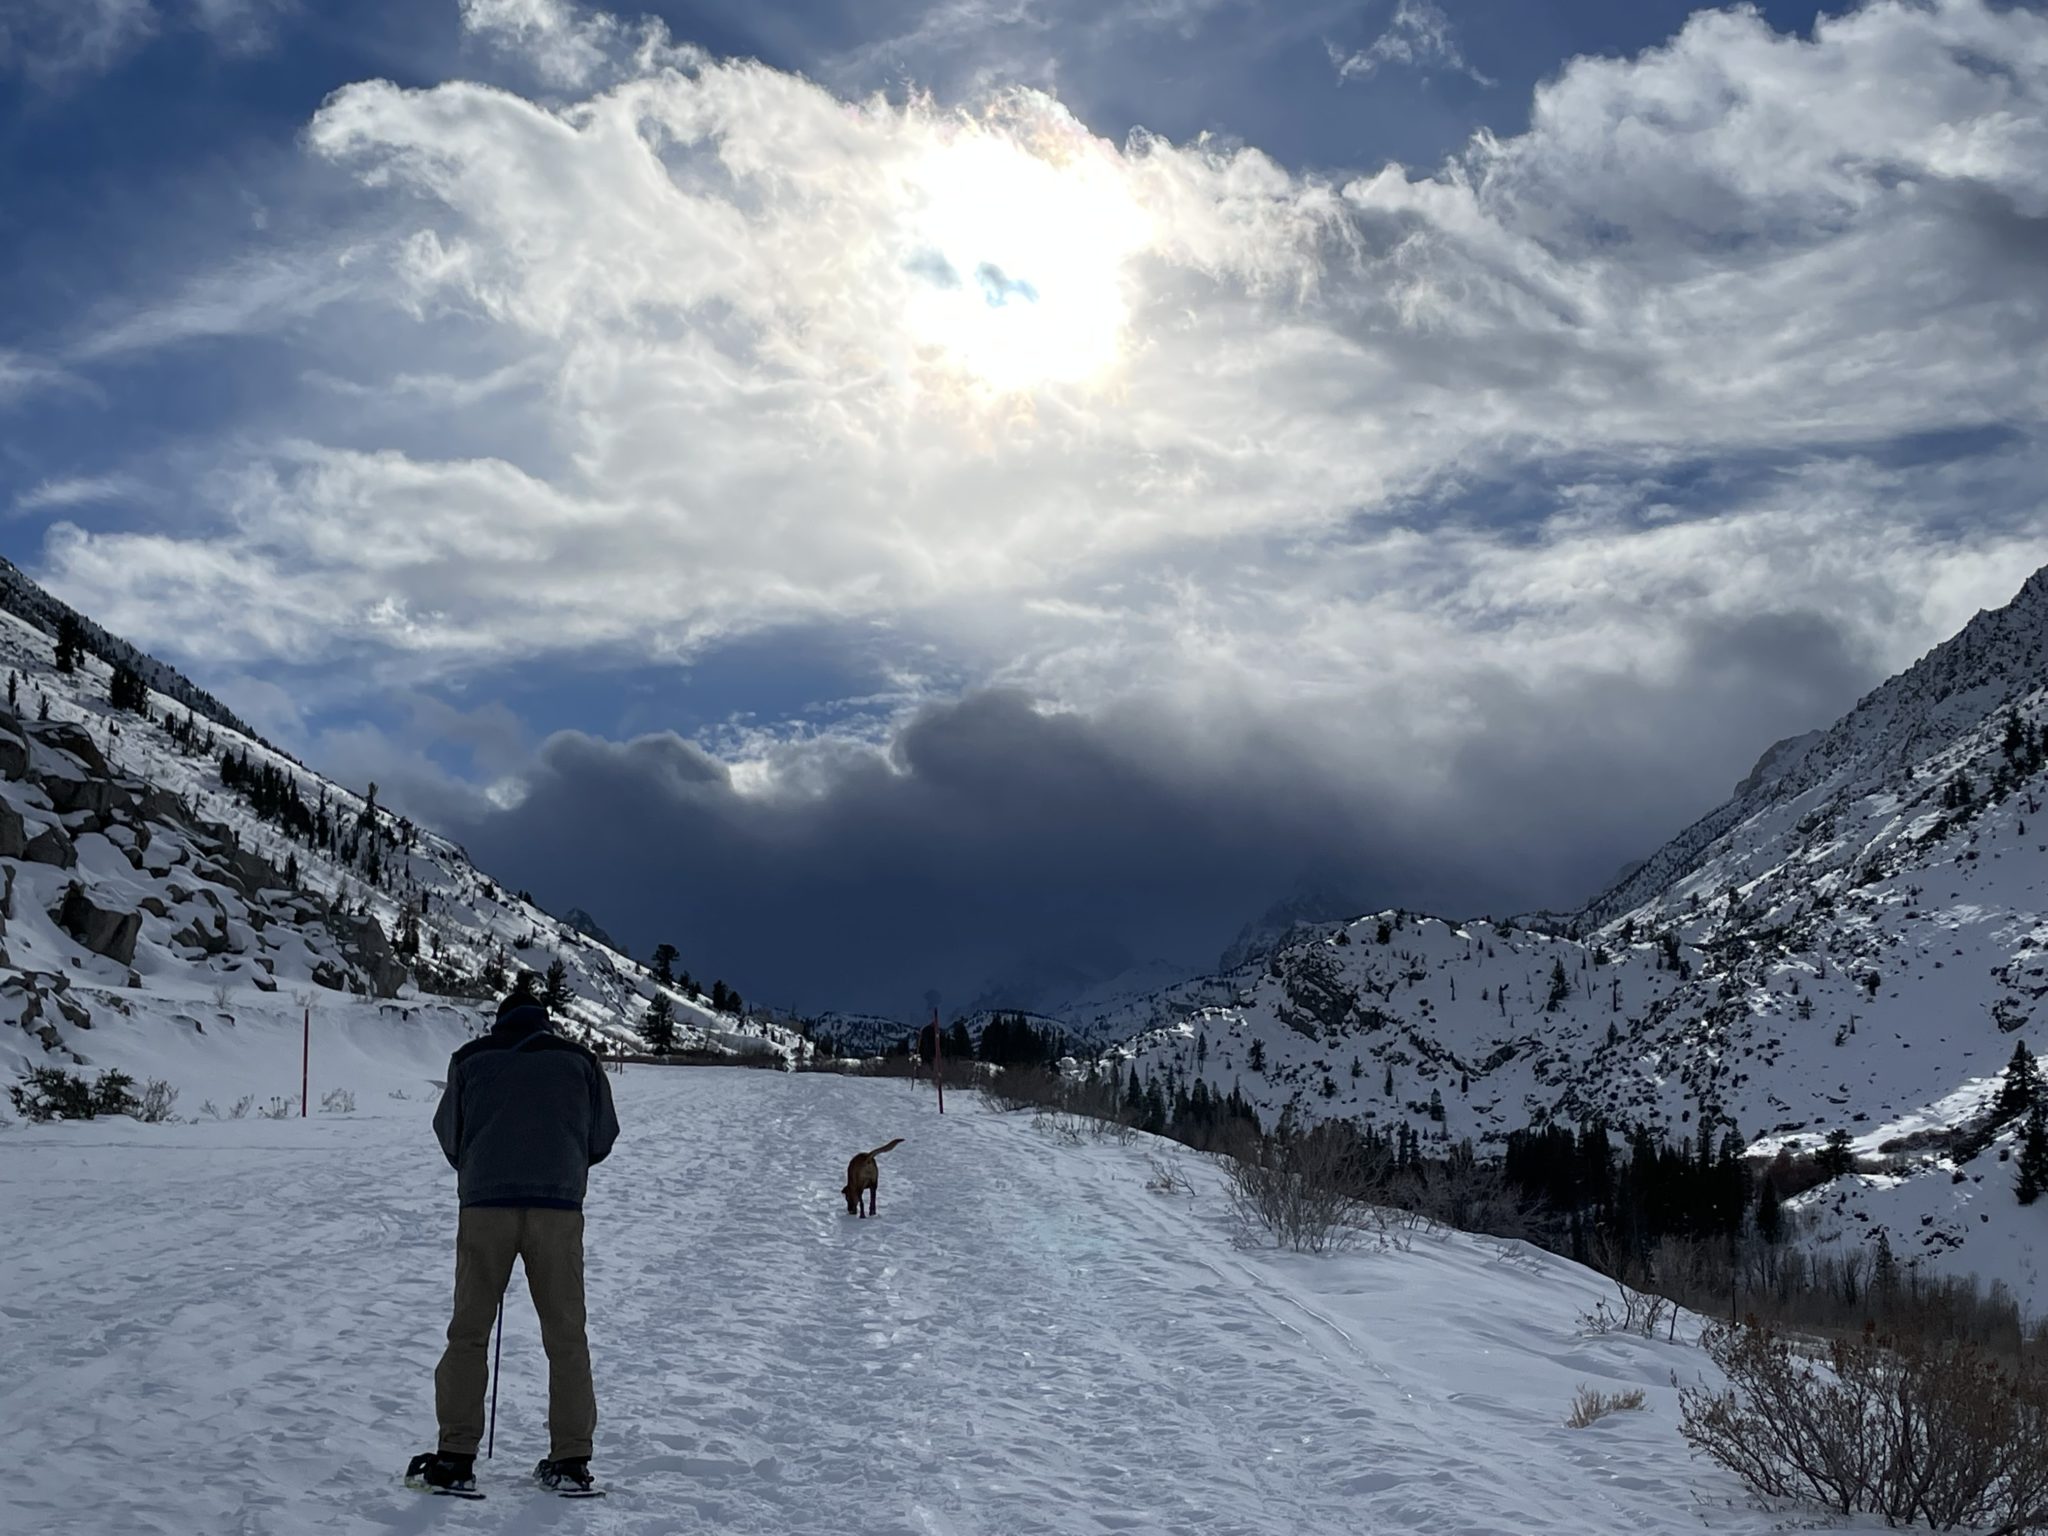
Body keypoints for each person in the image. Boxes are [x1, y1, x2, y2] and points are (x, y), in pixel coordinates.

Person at [406, 975, 621, 1497]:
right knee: (566, 1335)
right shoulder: (581, 1061)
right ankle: (571, 1460)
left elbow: (449, 1135)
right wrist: (562, 1165)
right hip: (558, 1210)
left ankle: (455, 1456)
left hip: (485, 1206)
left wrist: (483, 1167)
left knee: (469, 1331)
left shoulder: (470, 1059)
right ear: (545, 1022)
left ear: (500, 1021)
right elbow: (602, 1137)